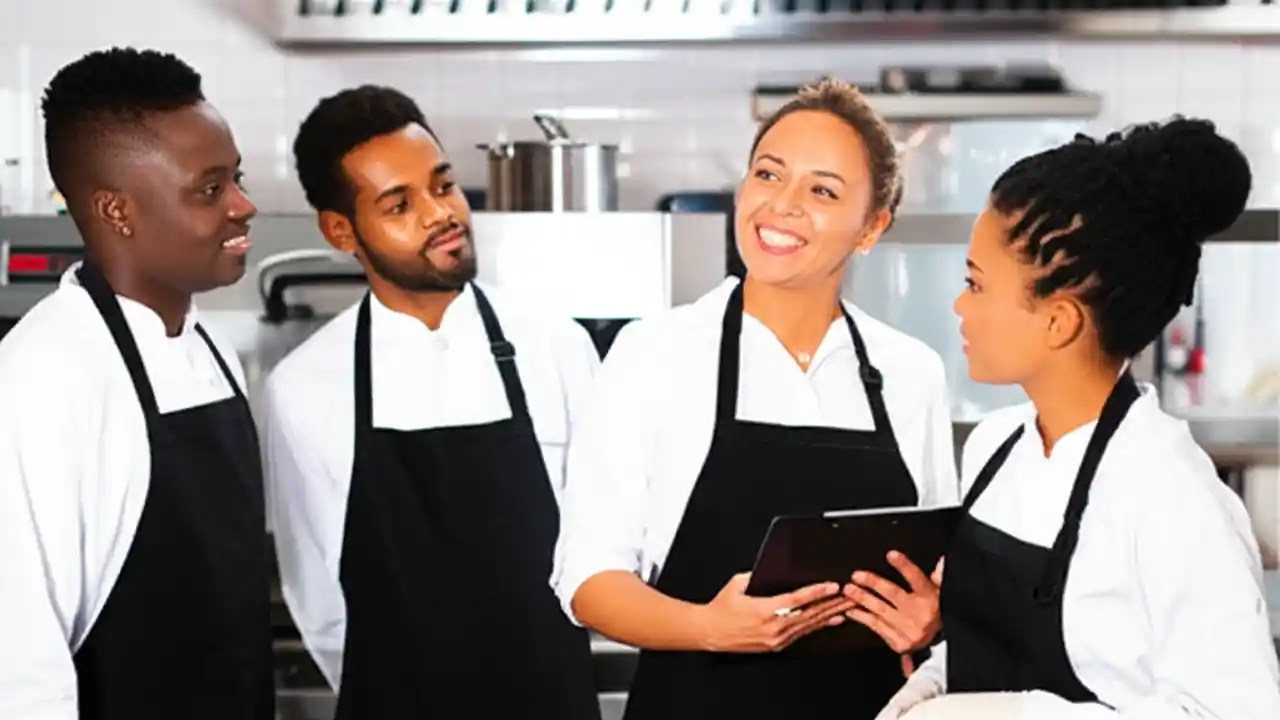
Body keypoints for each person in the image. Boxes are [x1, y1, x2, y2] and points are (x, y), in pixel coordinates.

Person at [551, 77, 959, 720]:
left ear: (871, 227)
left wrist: (930, 620)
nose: (783, 206)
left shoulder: (911, 373)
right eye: (768, 175)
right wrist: (711, 628)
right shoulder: (653, 353)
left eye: (822, 190)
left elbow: (935, 575)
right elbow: (587, 581)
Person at [871, 117, 1280, 719]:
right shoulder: (995, 448)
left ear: (1059, 321)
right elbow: (993, 651)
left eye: (975, 284)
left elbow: (1233, 714)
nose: (959, 304)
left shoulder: (1171, 495)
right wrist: (925, 692)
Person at [265, 84, 602, 719]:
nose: (440, 214)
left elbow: (600, 551)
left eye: (442, 186)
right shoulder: (305, 386)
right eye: (399, 204)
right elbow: (316, 595)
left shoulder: (555, 345)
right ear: (342, 231)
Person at [0, 48, 273, 719]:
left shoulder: (210, 349)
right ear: (117, 211)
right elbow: (19, 664)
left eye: (235, 179)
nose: (245, 206)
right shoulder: (45, 376)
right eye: (210, 190)